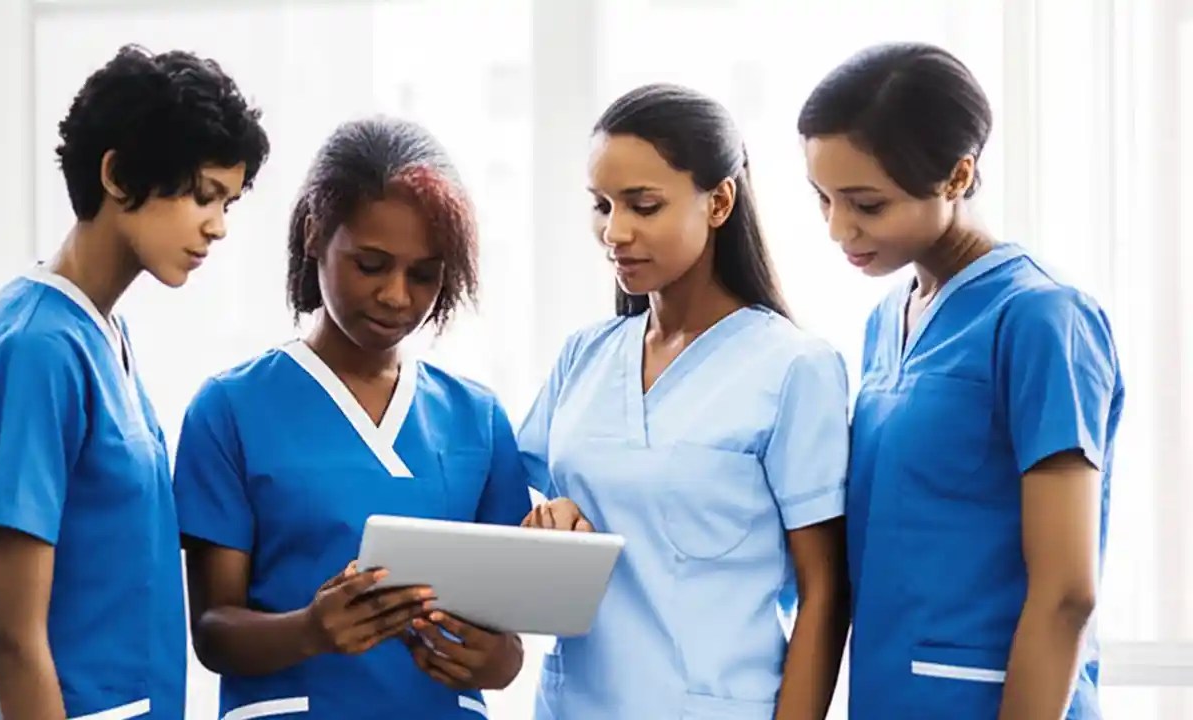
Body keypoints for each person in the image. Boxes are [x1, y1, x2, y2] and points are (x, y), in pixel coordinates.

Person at [0, 45, 269, 720]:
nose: (219, 226)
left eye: (229, 202)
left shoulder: (101, 335)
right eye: (204, 194)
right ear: (117, 174)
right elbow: (11, 638)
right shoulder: (36, 346)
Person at [799, 42, 1123, 720]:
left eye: (866, 203)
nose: (838, 227)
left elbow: (1068, 592)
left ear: (956, 176)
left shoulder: (1040, 318)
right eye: (823, 198)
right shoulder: (886, 321)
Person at [173, 115, 531, 719]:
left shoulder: (477, 418)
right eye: (371, 264)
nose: (397, 296)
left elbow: (508, 648)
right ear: (316, 234)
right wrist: (309, 630)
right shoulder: (231, 409)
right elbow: (212, 630)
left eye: (423, 275)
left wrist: (493, 660)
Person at [519, 83, 851, 720]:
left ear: (720, 201)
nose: (615, 231)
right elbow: (523, 520)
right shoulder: (584, 357)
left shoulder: (793, 368)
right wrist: (548, 523)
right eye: (602, 205)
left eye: (643, 206)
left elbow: (825, 590)